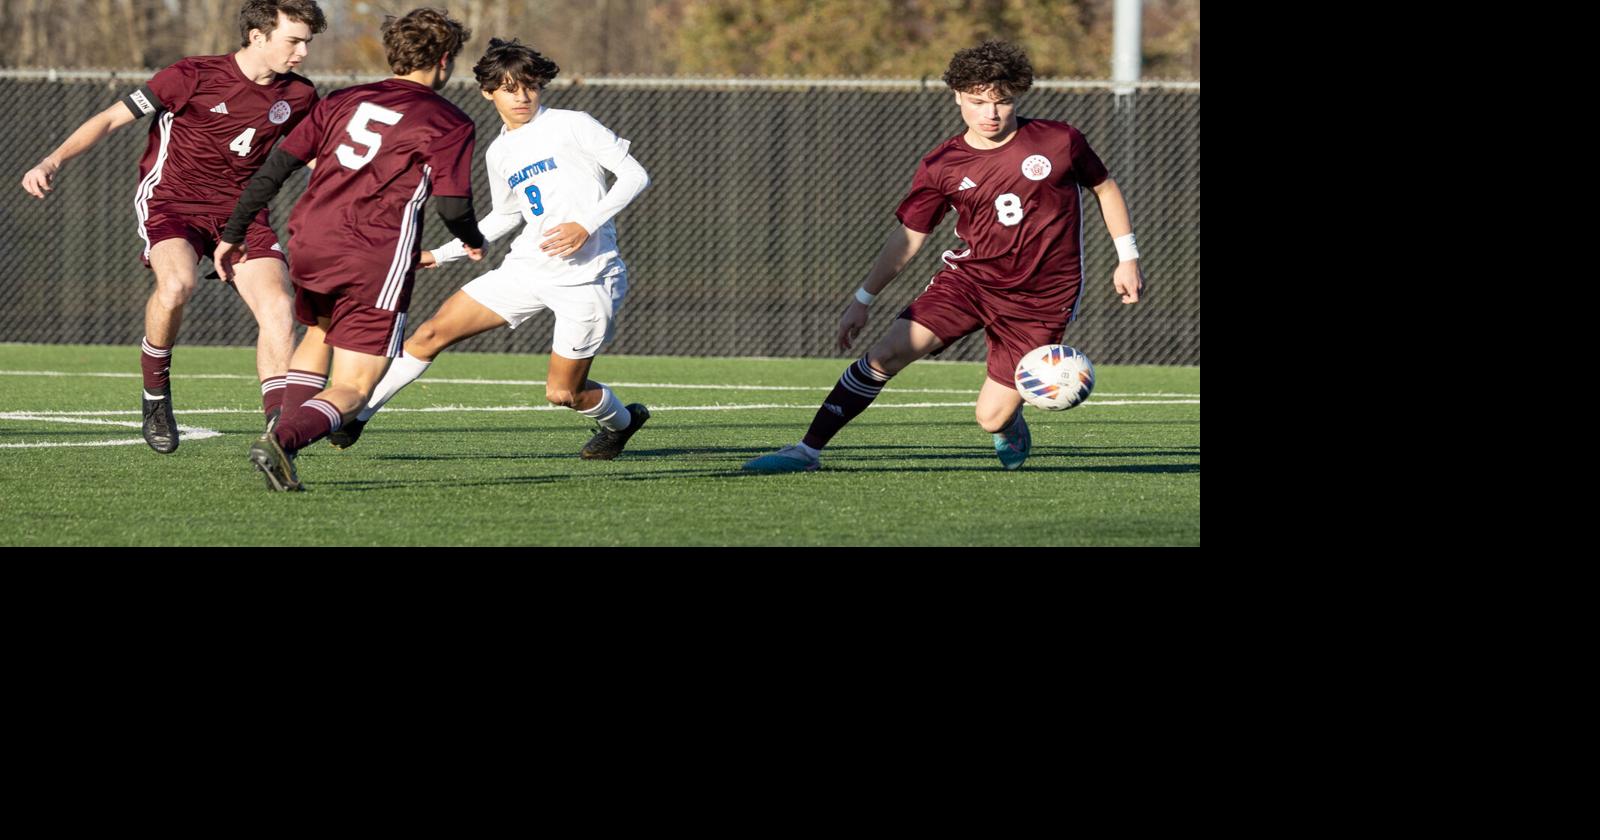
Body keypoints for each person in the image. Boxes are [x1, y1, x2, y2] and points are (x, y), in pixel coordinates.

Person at [742, 40, 1144, 474]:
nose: (991, 113)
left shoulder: (1058, 140)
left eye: (1002, 102)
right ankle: (807, 450)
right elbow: (909, 238)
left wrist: (1127, 256)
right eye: (977, 102)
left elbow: (1104, 187)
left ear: (1017, 98)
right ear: (956, 95)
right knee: (885, 355)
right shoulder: (942, 164)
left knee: (990, 417)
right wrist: (863, 299)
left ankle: (1010, 422)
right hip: (970, 283)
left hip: (1041, 299)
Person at [19, 0, 327, 454]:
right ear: (258, 36)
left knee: (280, 307)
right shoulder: (191, 75)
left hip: (241, 215)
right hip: (172, 204)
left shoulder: (299, 95)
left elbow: (316, 158)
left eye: (307, 42)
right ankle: (156, 394)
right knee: (177, 285)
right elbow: (110, 118)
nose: (302, 52)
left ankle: (278, 432)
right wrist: (52, 160)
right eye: (294, 41)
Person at [327, 37, 653, 461]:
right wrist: (439, 254)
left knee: (563, 392)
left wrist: (586, 224)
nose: (521, 95)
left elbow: (634, 175)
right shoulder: (499, 150)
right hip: (527, 269)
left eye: (529, 85)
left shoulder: (573, 123)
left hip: (587, 277)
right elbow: (505, 216)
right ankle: (360, 416)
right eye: (509, 87)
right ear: (488, 91)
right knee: (429, 334)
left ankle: (624, 423)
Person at [213, 7, 484, 492]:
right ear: (444, 61)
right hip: (372, 255)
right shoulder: (449, 120)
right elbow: (452, 203)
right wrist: (472, 238)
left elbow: (275, 169)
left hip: (311, 242)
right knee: (357, 388)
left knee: (319, 333)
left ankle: (283, 428)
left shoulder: (343, 100)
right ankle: (285, 441)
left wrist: (233, 232)